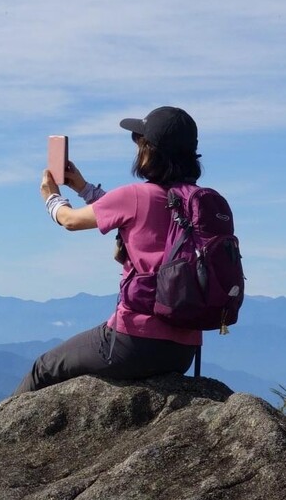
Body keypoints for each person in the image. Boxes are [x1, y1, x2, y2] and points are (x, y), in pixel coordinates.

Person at [12, 105, 205, 395]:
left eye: (140, 143)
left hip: (135, 342)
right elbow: (128, 217)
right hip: (184, 351)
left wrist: (51, 197)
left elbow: (70, 220)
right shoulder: (195, 202)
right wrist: (84, 188)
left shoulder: (137, 196)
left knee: (44, 368)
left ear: (150, 151)